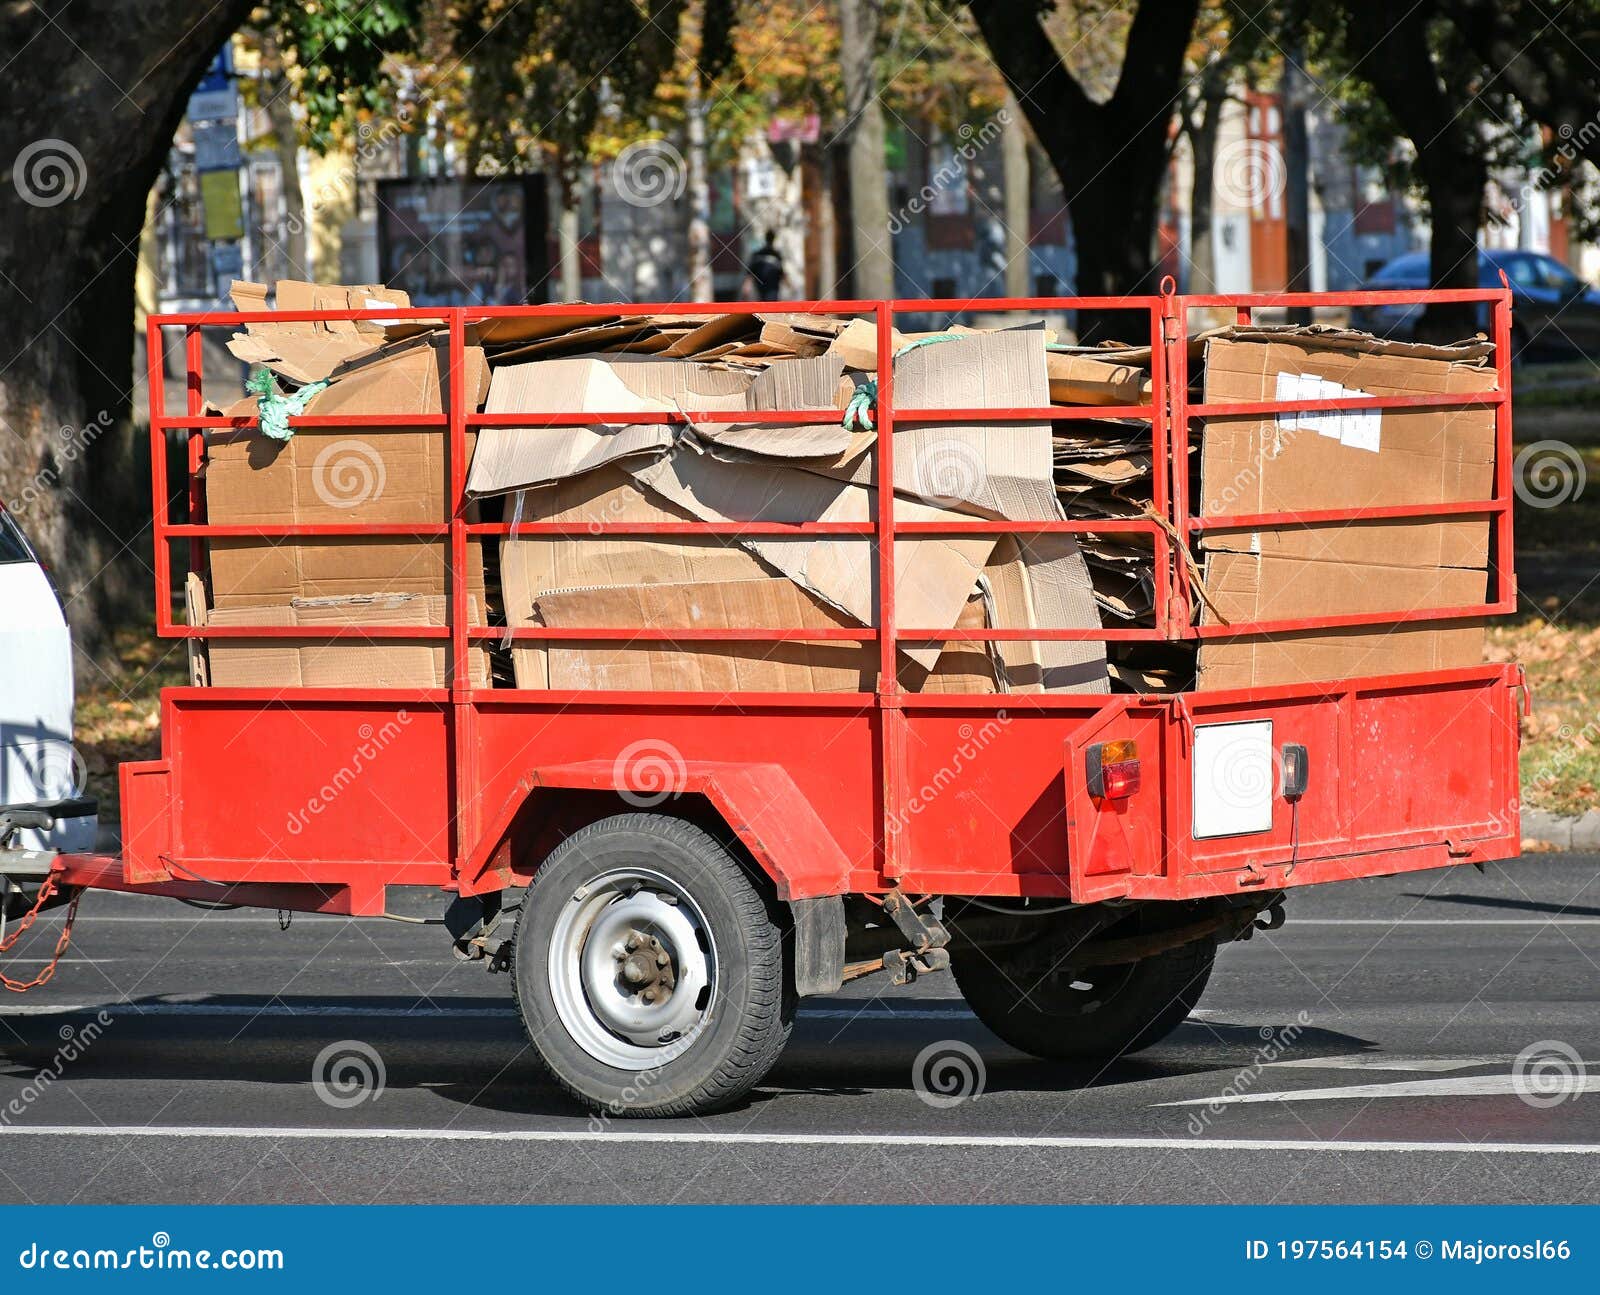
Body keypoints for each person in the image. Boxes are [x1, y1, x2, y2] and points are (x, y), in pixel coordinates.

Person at [746, 230, 785, 301]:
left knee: (763, 305)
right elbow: (781, 272)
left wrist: (747, 285)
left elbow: (750, 271)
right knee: (771, 306)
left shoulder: (758, 254)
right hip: (771, 287)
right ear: (773, 239)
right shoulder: (776, 254)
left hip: (763, 286)